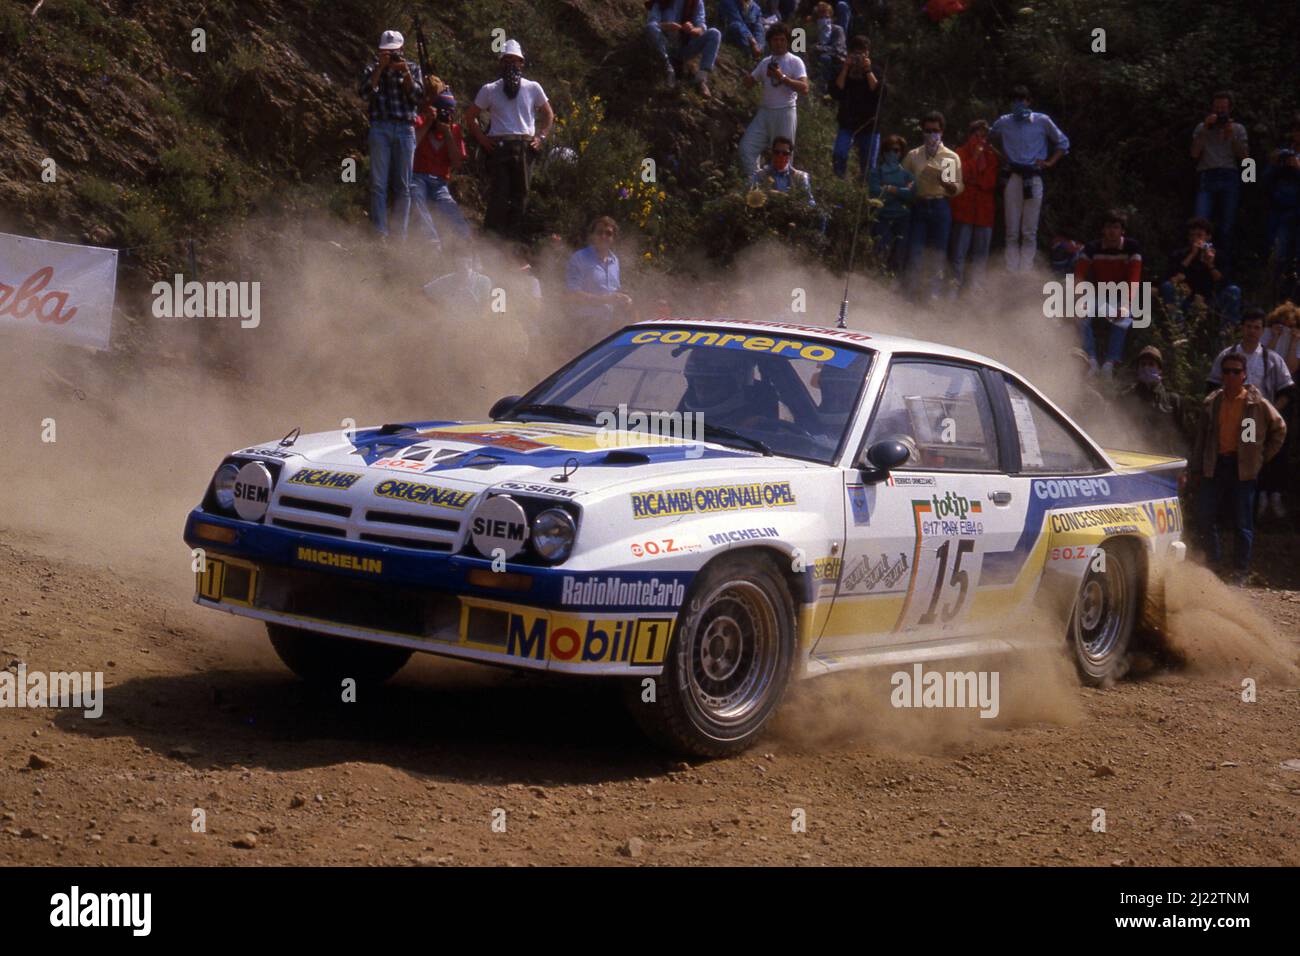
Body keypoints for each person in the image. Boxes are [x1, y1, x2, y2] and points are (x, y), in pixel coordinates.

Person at [1190, 352, 1286, 584]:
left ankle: (1240, 571)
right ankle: (1213, 564)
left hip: (1243, 468)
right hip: (1216, 464)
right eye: (1226, 371)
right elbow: (1201, 438)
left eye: (1236, 371)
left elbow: (1279, 429)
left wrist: (1261, 458)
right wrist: (1195, 466)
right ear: (1221, 375)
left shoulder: (1256, 404)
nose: (1231, 376)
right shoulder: (1212, 402)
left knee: (1243, 522)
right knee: (1205, 516)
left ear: (1244, 375)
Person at [1207, 308, 1295, 519]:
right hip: (1228, 416)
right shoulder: (1227, 355)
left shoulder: (1271, 358)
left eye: (1257, 328)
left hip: (1253, 421)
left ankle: (1253, 509)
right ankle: (1226, 510)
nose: (1252, 332)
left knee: (1251, 458)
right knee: (1227, 459)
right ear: (1242, 328)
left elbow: (1287, 391)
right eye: (1248, 327)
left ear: (1262, 330)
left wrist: (1271, 415)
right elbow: (1211, 387)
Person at [465, 40, 554, 241]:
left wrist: (541, 137)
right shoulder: (490, 89)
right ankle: (490, 244)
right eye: (507, 60)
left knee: (520, 198)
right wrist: (483, 139)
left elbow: (549, 114)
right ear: (501, 63)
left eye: (516, 61)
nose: (512, 65)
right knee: (498, 197)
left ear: (522, 64)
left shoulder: (532, 87)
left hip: (525, 146)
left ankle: (512, 247)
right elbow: (470, 116)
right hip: (500, 146)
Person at [989, 85, 1069, 272]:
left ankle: (1025, 270)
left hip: (1033, 175)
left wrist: (1050, 162)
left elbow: (1063, 143)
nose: (1019, 103)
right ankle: (1011, 269)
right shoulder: (1004, 122)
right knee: (1011, 229)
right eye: (1015, 100)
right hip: (1014, 176)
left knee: (1029, 230)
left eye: (1022, 99)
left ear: (1029, 101)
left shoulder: (1042, 120)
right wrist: (1001, 156)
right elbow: (988, 137)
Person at [357, 30, 423, 240]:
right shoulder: (371, 68)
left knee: (403, 185)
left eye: (394, 52)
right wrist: (380, 68)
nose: (391, 55)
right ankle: (380, 233)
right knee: (378, 183)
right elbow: (365, 93)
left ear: (402, 50)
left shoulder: (412, 68)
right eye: (386, 52)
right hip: (380, 127)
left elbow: (418, 98)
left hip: (405, 128)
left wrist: (405, 74)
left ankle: (400, 237)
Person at [1074, 209, 1143, 378]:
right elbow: (1079, 276)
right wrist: (1079, 299)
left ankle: (1110, 364)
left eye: (1116, 227)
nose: (1112, 231)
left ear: (1122, 230)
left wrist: (1125, 305)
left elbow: (1134, 279)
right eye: (1108, 227)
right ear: (1103, 229)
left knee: (1124, 319)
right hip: (1098, 294)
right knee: (1079, 314)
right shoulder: (1092, 248)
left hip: (1121, 295)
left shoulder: (1132, 247)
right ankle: (1091, 360)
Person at [902, 111, 963, 299]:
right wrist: (910, 185)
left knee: (938, 253)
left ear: (942, 131)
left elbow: (956, 189)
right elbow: (902, 179)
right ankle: (911, 295)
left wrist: (944, 182)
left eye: (935, 130)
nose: (931, 134)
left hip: (940, 206)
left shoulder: (950, 157)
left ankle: (932, 296)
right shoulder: (914, 156)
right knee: (915, 251)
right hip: (919, 205)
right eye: (927, 130)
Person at [738, 22, 809, 174]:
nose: (779, 43)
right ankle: (757, 187)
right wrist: (746, 77)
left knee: (783, 157)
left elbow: (804, 88)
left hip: (785, 112)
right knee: (746, 149)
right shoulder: (765, 62)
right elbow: (750, 82)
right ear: (770, 42)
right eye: (775, 40)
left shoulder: (795, 61)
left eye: (782, 39)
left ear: (787, 41)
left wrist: (782, 77)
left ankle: (783, 194)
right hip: (765, 112)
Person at [1190, 91, 1249, 271]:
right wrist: (1206, 130)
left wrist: (1231, 137)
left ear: (1230, 110)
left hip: (1229, 176)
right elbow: (1193, 154)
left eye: (1224, 109)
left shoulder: (1238, 128)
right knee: (1200, 223)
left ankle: (1223, 268)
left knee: (1226, 226)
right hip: (1207, 175)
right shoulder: (1202, 127)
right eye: (1217, 109)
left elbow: (1246, 158)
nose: (1221, 112)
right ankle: (1198, 265)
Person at [411, 86, 470, 254]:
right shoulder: (422, 121)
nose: (446, 116)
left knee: (450, 208)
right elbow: (410, 147)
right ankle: (432, 244)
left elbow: (458, 162)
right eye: (442, 111)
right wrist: (429, 122)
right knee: (416, 198)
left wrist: (448, 134)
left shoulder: (455, 130)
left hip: (440, 182)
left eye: (450, 112)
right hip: (417, 175)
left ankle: (466, 247)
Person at [947, 119, 999, 296]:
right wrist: (975, 159)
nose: (981, 140)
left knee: (980, 257)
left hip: (984, 212)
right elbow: (959, 175)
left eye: (984, 136)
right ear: (970, 135)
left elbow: (990, 182)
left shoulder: (992, 156)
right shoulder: (959, 153)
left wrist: (972, 180)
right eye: (977, 135)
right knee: (958, 255)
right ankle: (953, 290)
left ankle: (974, 294)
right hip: (964, 210)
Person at [1160, 217, 1241, 328]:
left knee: (1234, 291)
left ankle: (1226, 334)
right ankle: (1178, 331)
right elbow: (1170, 277)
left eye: (1199, 235)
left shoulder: (1218, 255)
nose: (1195, 239)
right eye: (1192, 235)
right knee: (1167, 287)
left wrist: (1210, 265)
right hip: (1186, 300)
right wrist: (1191, 255)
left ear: (1208, 237)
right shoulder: (1180, 254)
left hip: (1209, 301)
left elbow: (1224, 282)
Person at [565, 216, 633, 336]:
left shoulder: (615, 261)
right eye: (599, 232)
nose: (603, 236)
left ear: (614, 238)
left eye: (608, 233)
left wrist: (624, 300)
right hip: (583, 327)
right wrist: (604, 300)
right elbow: (572, 295)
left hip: (609, 327)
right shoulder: (579, 258)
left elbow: (614, 291)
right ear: (592, 235)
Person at [828, 35, 883, 180]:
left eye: (862, 52)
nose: (858, 56)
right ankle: (839, 183)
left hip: (869, 124)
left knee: (868, 166)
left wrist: (868, 70)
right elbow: (836, 92)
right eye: (855, 52)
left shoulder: (875, 71)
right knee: (839, 154)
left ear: (868, 53)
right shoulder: (841, 70)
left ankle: (864, 192)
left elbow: (879, 93)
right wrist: (846, 68)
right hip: (847, 122)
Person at [1119, 346, 1190, 453]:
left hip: (1164, 459)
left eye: (1151, 364)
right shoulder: (1126, 398)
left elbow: (1183, 436)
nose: (1146, 368)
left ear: (1159, 369)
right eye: (1143, 364)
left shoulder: (1172, 400)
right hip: (1134, 457)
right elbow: (1117, 429)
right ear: (1137, 368)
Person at [646, 0, 721, 97]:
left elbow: (701, 28)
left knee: (714, 33)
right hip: (664, 43)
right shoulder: (662, 1)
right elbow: (652, 22)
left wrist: (691, 29)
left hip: (684, 48)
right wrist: (666, 26)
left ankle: (701, 79)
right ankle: (667, 68)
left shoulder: (696, 2)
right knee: (651, 28)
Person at [1262, 116, 1300, 294]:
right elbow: (1263, 181)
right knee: (1277, 254)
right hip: (1282, 211)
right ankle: (1271, 292)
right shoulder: (1284, 154)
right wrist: (1275, 164)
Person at [867, 134, 914, 273]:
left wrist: (891, 189)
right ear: (883, 152)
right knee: (880, 255)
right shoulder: (876, 172)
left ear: (901, 153)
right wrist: (900, 192)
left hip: (902, 220)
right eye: (888, 150)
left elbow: (911, 194)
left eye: (896, 150)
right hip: (882, 219)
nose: (892, 153)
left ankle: (894, 290)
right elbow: (875, 193)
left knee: (898, 258)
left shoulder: (907, 175)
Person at [750, 136, 816, 205]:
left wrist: (786, 197)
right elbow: (750, 195)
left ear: (789, 156)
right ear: (772, 153)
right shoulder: (760, 175)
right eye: (777, 152)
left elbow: (810, 203)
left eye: (785, 153)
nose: (780, 156)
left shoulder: (800, 177)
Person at [810, 2, 847, 94]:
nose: (824, 20)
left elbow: (837, 49)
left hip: (835, 60)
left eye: (827, 17)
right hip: (815, 58)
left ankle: (823, 91)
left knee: (825, 58)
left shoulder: (837, 30)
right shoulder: (813, 31)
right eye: (821, 18)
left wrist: (818, 48)